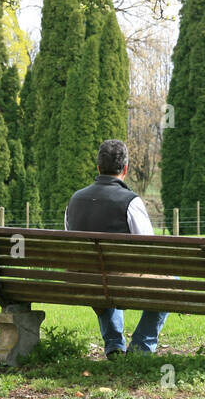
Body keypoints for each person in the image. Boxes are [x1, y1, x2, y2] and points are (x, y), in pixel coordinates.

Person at [64, 139, 168, 359]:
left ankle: (114, 345)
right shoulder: (130, 202)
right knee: (169, 284)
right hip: (119, 280)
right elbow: (150, 248)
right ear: (126, 169)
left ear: (98, 167)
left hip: (81, 279)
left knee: (102, 274)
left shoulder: (74, 200)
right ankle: (141, 347)